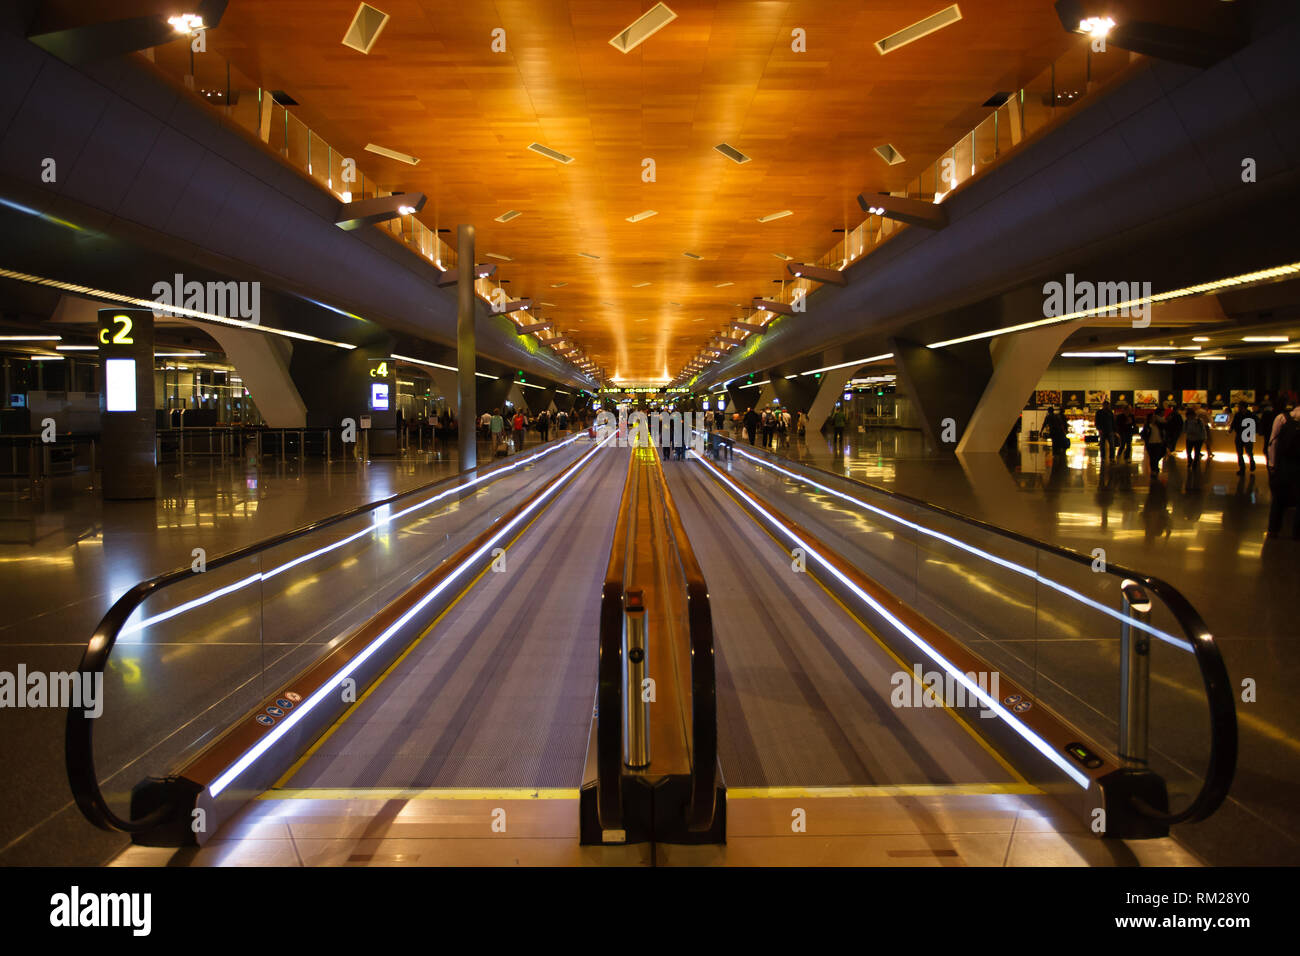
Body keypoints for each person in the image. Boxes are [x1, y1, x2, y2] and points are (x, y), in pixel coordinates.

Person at [1267, 405, 1300, 537]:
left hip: (1284, 464)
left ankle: (1273, 529)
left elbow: (1273, 442)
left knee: (1278, 498)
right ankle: (1297, 533)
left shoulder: (1282, 418)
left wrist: (1272, 464)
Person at [1230, 401, 1255, 474]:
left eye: (1239, 406)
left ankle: (1244, 467)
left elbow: (1234, 423)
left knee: (1243, 452)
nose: (1238, 408)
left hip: (1242, 435)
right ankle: (1249, 464)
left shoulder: (1239, 415)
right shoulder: (1250, 414)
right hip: (1246, 435)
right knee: (1246, 452)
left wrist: (1231, 429)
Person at [1141, 409, 1166, 479]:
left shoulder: (1159, 426)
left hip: (1158, 443)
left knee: (1157, 456)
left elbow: (1165, 427)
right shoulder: (1148, 426)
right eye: (1152, 418)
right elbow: (1143, 434)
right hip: (1151, 443)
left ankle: (1155, 467)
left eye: (1154, 418)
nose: (1154, 419)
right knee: (1152, 457)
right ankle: (1154, 470)